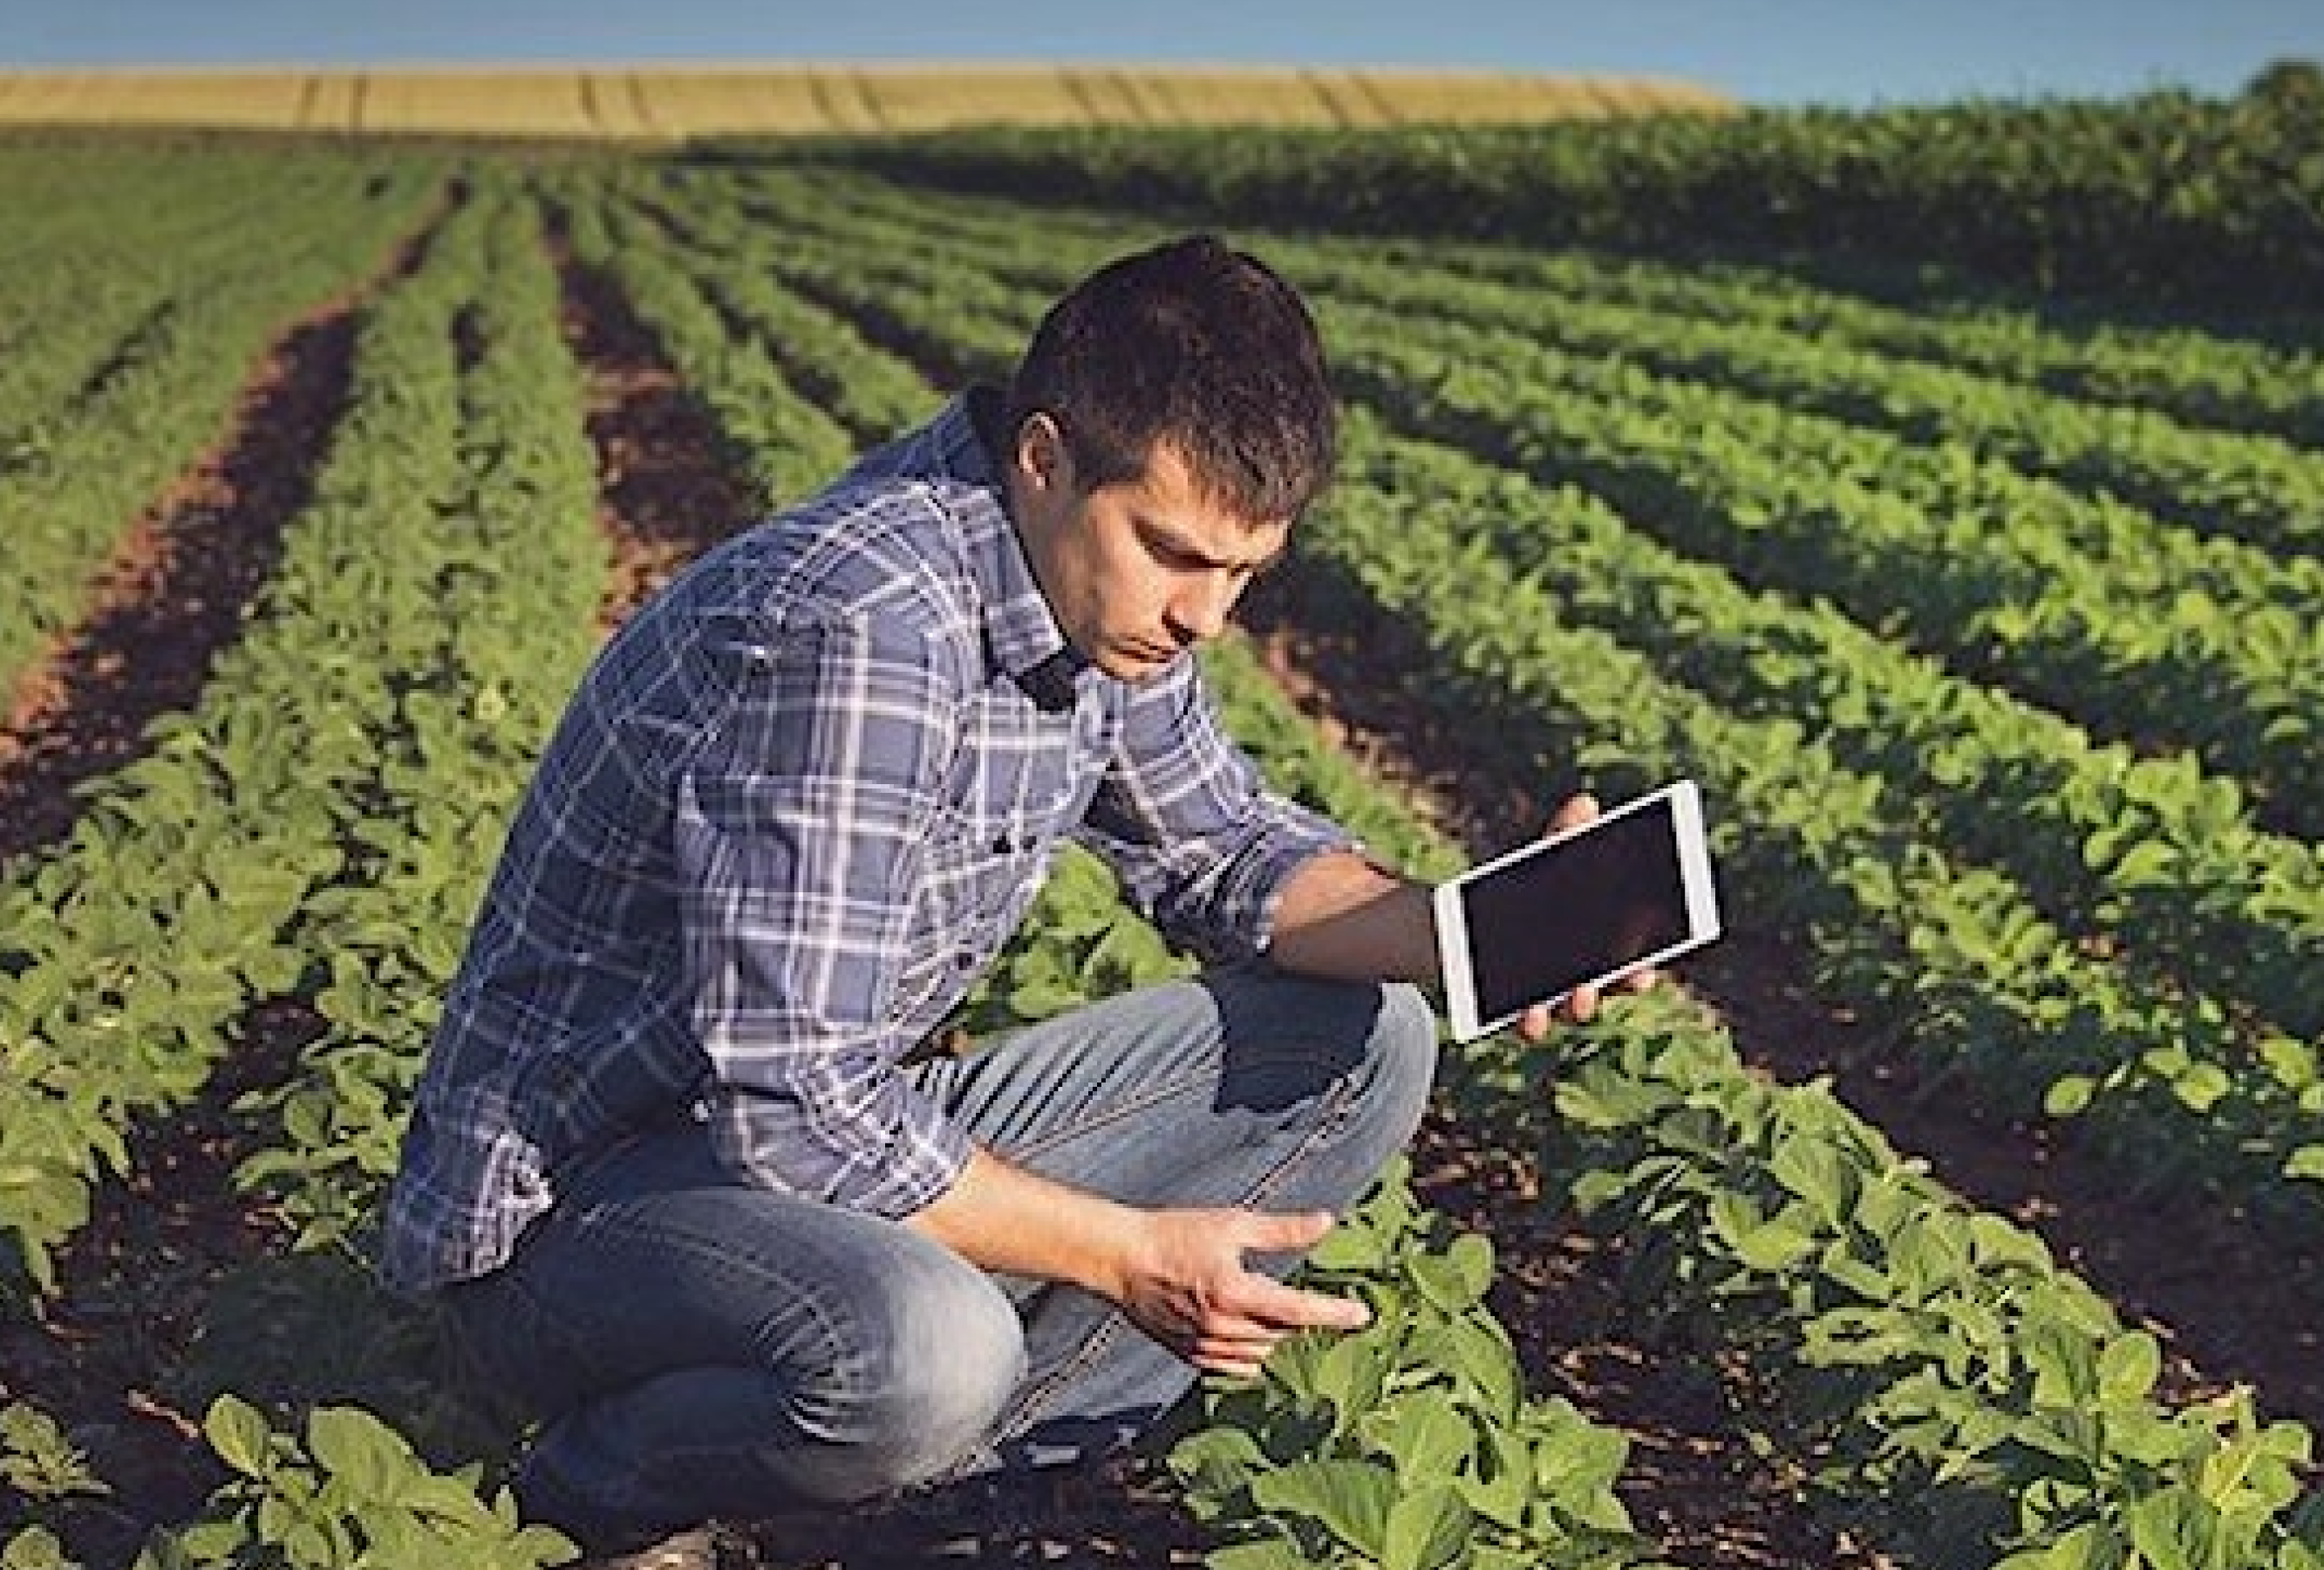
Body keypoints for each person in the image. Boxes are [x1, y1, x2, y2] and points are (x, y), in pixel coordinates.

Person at [379, 232, 1640, 1569]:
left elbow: (1227, 849)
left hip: (792, 1151)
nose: (1207, 616)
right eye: (1175, 553)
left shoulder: (1096, 596)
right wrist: (1127, 1255)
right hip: (579, 1223)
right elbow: (795, 1118)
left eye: (1244, 572)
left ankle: (907, 1505)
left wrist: (1481, 925)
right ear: (1043, 458)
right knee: (928, 1347)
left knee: (1365, 1038)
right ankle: (598, 1500)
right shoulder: (862, 628)